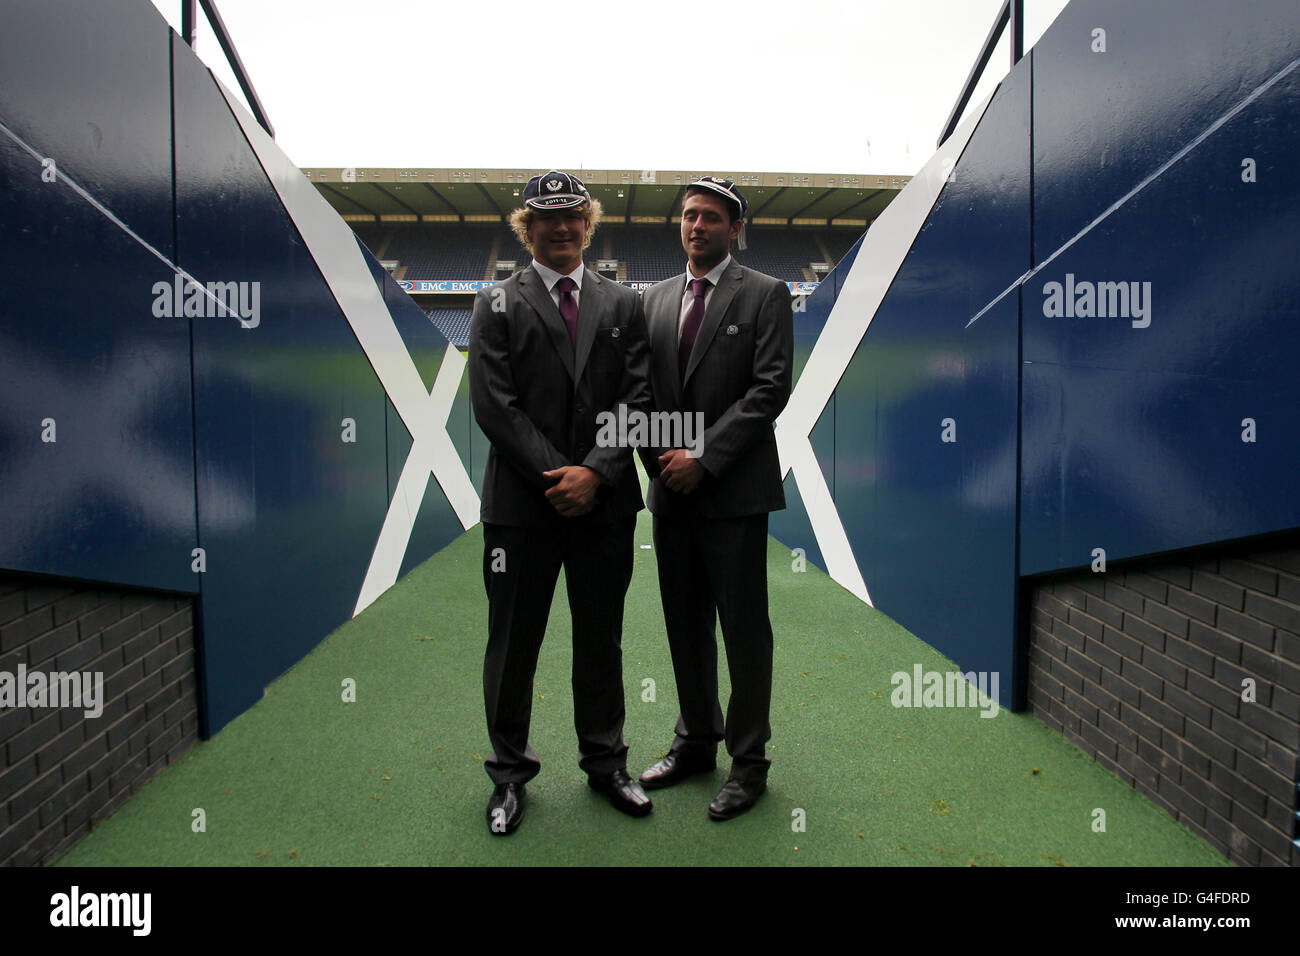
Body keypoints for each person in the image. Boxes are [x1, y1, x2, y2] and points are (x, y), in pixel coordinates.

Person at [469, 170, 652, 835]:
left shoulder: (624, 304)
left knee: (600, 639)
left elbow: (639, 398)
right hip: (522, 507)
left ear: (588, 222)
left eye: (573, 215)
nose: (563, 227)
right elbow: (494, 405)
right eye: (547, 218)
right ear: (528, 228)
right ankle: (509, 776)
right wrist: (560, 475)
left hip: (604, 506)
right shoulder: (494, 302)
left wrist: (597, 473)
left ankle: (606, 765)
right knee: (513, 644)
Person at [637, 176, 794, 820]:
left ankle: (749, 763)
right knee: (684, 623)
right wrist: (664, 462)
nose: (696, 226)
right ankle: (696, 742)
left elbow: (769, 390)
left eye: (710, 217)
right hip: (673, 495)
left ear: (735, 229)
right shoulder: (653, 299)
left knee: (744, 630)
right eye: (688, 216)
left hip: (734, 494)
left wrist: (703, 457)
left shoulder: (765, 294)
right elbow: (638, 393)